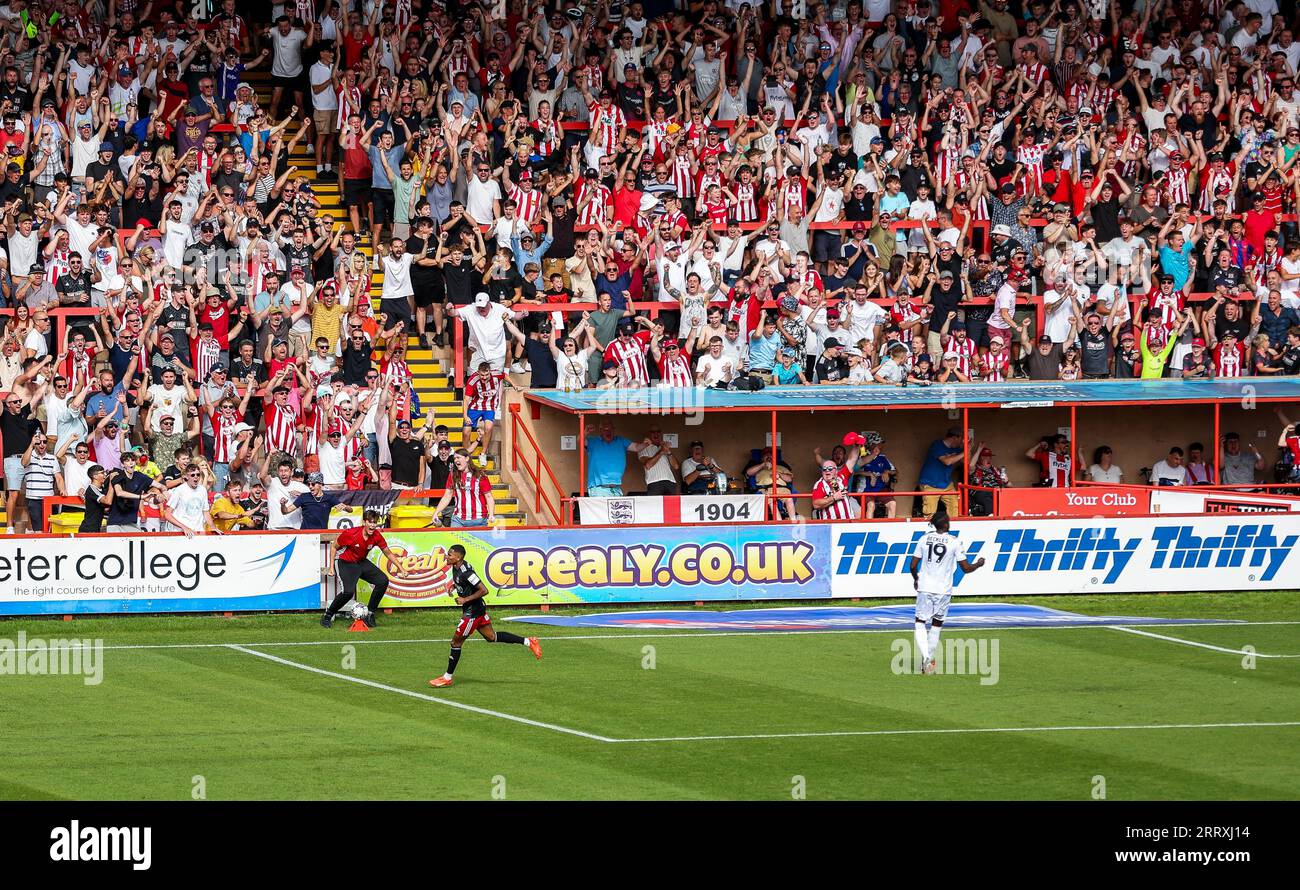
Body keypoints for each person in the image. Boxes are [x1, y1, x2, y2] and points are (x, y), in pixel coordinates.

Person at [428, 544, 543, 688]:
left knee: (455, 643)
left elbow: (484, 590)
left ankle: (447, 677)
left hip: (472, 613)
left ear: (458, 557)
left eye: (450, 555)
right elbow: (464, 584)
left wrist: (465, 599)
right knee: (491, 637)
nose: (447, 556)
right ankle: (529, 641)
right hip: (478, 610)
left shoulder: (467, 572)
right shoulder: (456, 567)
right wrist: (454, 586)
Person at [909, 509, 986, 675]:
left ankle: (926, 657)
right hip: (943, 590)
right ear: (944, 524)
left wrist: (916, 579)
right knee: (937, 624)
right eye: (948, 520)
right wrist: (978, 564)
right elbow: (965, 568)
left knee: (920, 622)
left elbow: (913, 565)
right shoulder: (954, 541)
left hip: (925, 587)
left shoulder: (923, 539)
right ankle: (928, 660)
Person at [322, 510, 410, 628]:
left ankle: (370, 614)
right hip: (345, 562)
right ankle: (328, 615)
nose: (373, 525)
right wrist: (331, 567)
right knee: (348, 592)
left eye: (375, 523)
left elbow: (388, 553)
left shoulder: (376, 535)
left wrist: (401, 568)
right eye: (370, 522)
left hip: (361, 562)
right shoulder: (351, 534)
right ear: (364, 522)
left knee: (382, 581)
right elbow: (334, 547)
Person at [584, 419, 646, 497]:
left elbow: (636, 447)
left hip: (616, 488)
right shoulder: (594, 441)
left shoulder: (620, 441)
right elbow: (581, 441)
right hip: (599, 489)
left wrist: (645, 444)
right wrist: (584, 432)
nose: (608, 432)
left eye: (610, 429)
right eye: (605, 429)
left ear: (614, 430)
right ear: (601, 431)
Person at [917, 428, 963, 516]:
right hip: (930, 483)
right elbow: (947, 461)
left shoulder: (956, 448)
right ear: (954, 438)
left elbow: (966, 462)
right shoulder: (937, 445)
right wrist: (964, 453)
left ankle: (953, 529)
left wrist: (967, 448)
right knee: (930, 512)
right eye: (960, 439)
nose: (960, 443)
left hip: (946, 484)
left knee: (954, 508)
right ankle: (930, 529)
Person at [79, 465, 113, 533]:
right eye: (102, 473)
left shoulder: (102, 489)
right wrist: (112, 482)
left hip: (95, 528)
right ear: (95, 476)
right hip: (88, 530)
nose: (105, 475)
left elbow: (106, 507)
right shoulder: (92, 489)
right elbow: (108, 501)